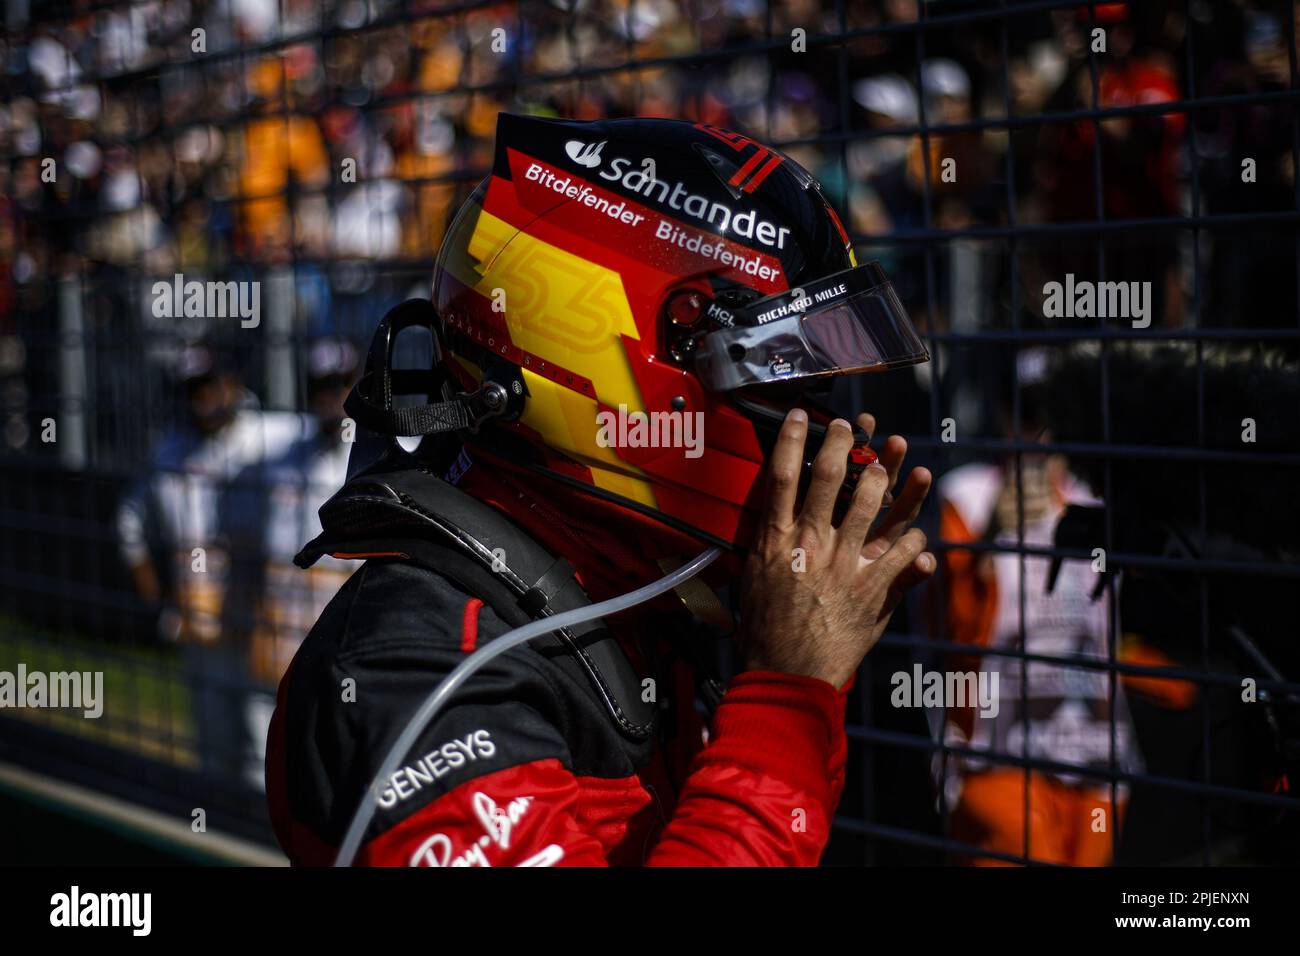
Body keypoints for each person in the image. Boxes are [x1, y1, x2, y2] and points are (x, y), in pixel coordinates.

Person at [267, 114, 936, 866]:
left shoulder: (635, 598)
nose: (826, 435)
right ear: (605, 360)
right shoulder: (412, 672)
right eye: (784, 385)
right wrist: (786, 696)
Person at [117, 344, 304, 779]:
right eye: (191, 389)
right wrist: (159, 601)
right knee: (211, 748)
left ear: (232, 383)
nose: (202, 397)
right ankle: (213, 830)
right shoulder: (169, 452)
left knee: (264, 748)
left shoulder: (272, 437)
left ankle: (258, 839)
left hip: (262, 624)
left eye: (209, 385)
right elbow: (129, 524)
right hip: (201, 628)